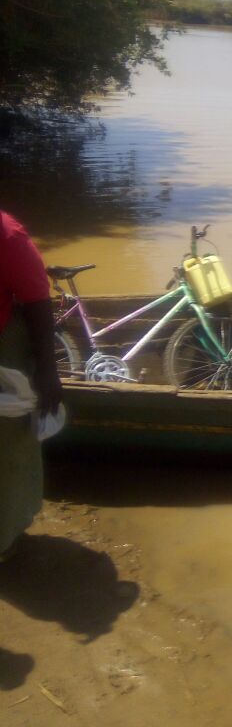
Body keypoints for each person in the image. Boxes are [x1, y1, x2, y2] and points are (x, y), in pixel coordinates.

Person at [0, 210, 63, 559]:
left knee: (6, 448)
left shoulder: (6, 235)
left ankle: (4, 540)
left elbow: (39, 302)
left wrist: (47, 371)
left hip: (3, 351)